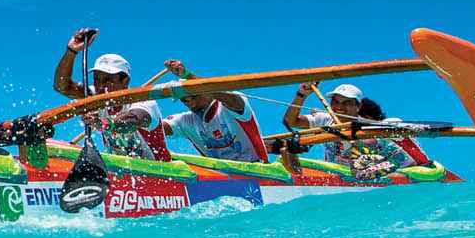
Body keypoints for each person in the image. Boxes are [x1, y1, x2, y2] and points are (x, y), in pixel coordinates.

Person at [51, 27, 170, 160]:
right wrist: (71, 51)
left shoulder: (143, 101)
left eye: (108, 79)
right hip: (122, 170)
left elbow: (133, 120)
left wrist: (104, 124)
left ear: (125, 81)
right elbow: (62, 87)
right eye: (96, 79)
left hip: (159, 172)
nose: (101, 86)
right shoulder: (95, 96)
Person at [281, 83, 424, 174]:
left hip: (378, 170)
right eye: (335, 102)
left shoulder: (369, 126)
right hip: (340, 173)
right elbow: (290, 121)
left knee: (395, 123)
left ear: (358, 106)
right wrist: (301, 95)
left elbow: (370, 144)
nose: (339, 107)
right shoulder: (324, 119)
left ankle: (421, 164)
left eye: (346, 103)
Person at [157, 58, 268, 162]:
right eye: (184, 100)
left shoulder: (231, 105)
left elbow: (226, 96)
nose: (190, 103)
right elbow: (156, 126)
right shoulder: (185, 120)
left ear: (207, 92)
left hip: (259, 173)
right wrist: (142, 114)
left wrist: (188, 75)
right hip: (223, 179)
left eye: (194, 96)